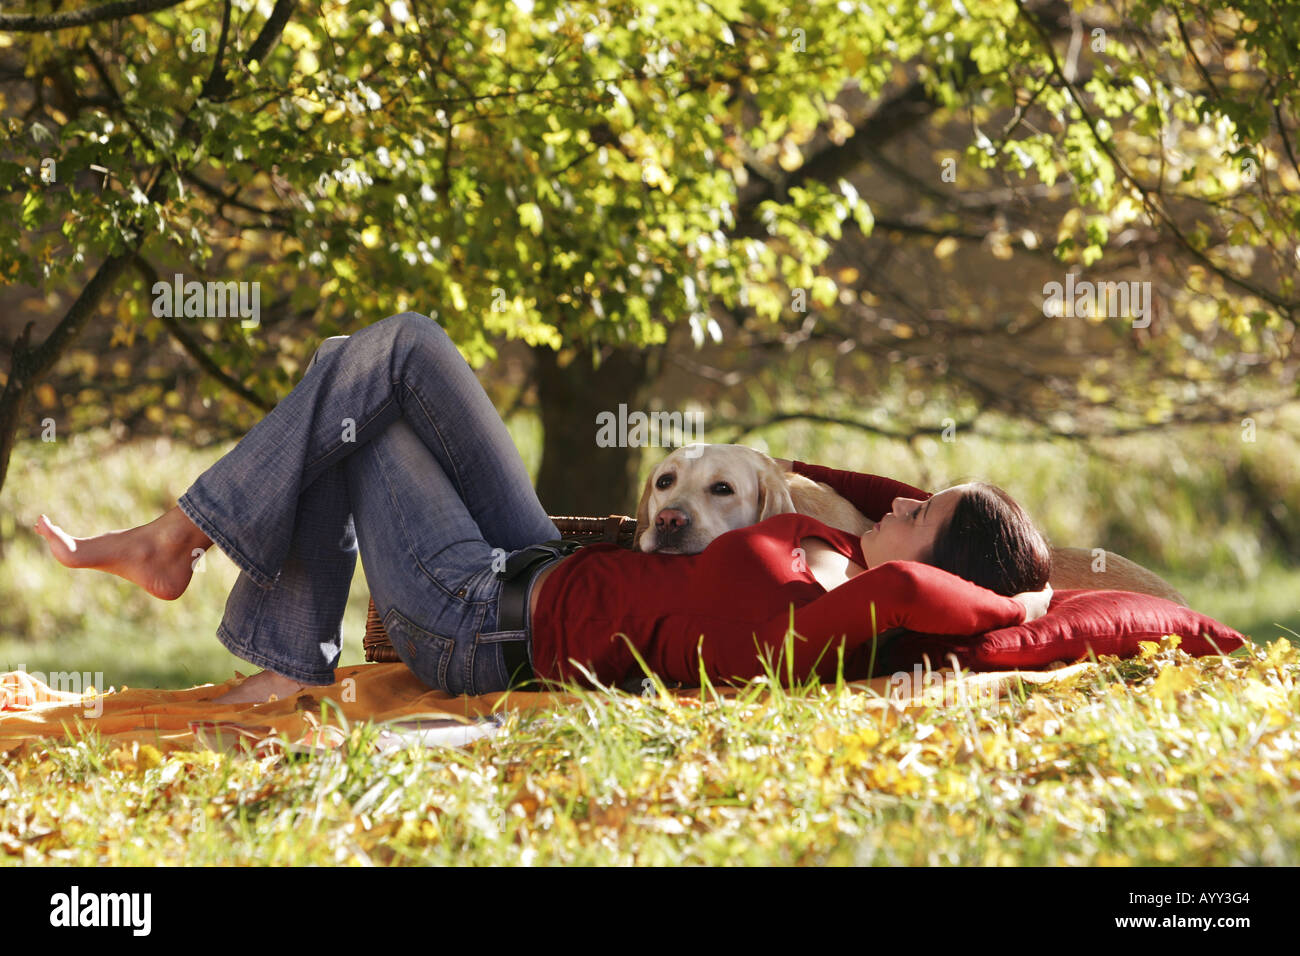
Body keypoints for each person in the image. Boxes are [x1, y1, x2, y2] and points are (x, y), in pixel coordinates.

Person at [34, 312, 1052, 704]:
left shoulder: (839, 596)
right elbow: (863, 495)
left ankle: (186, 548)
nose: (908, 499)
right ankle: (272, 649)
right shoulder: (834, 525)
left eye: (931, 508)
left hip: (479, 619)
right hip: (537, 561)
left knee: (361, 392)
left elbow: (980, 598)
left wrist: (1014, 601)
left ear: (934, 564)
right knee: (385, 354)